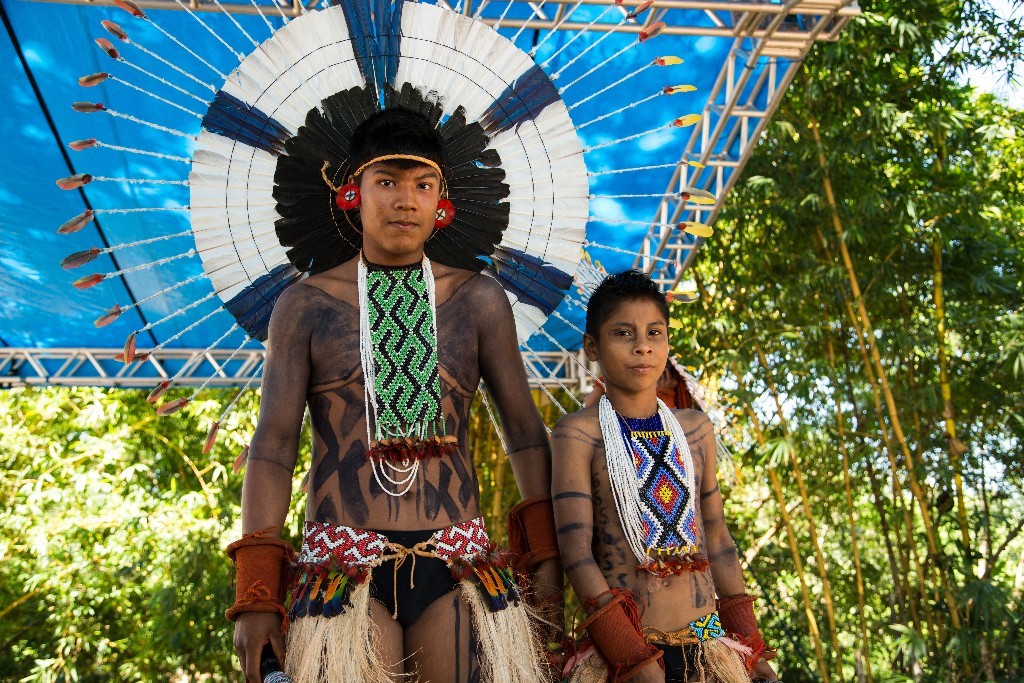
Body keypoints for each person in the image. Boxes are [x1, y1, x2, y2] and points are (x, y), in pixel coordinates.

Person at [224, 109, 560, 683]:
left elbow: (526, 435)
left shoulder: (479, 300)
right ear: (353, 193)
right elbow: (274, 444)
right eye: (387, 182)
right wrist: (255, 591)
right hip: (341, 569)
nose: (406, 201)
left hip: (458, 565)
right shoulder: (304, 305)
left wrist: (547, 557)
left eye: (423, 185)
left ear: (441, 202)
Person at [552, 270, 777, 683]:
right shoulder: (578, 433)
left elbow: (718, 538)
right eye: (623, 333)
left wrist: (752, 646)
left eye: (654, 333)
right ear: (592, 346)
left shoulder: (695, 429)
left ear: (668, 343)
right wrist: (635, 661)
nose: (642, 346)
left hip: (707, 645)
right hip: (625, 653)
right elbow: (576, 554)